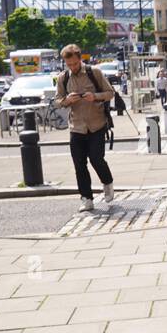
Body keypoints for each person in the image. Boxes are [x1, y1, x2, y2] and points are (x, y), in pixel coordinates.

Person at [54, 44, 116, 212]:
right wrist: (67, 100)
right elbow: (57, 101)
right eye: (69, 64)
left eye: (74, 63)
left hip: (97, 125)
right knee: (79, 165)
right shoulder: (63, 78)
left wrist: (94, 96)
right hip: (76, 127)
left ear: (80, 59)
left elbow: (110, 93)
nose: (72, 67)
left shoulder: (94, 72)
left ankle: (107, 183)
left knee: (97, 159)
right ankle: (86, 199)